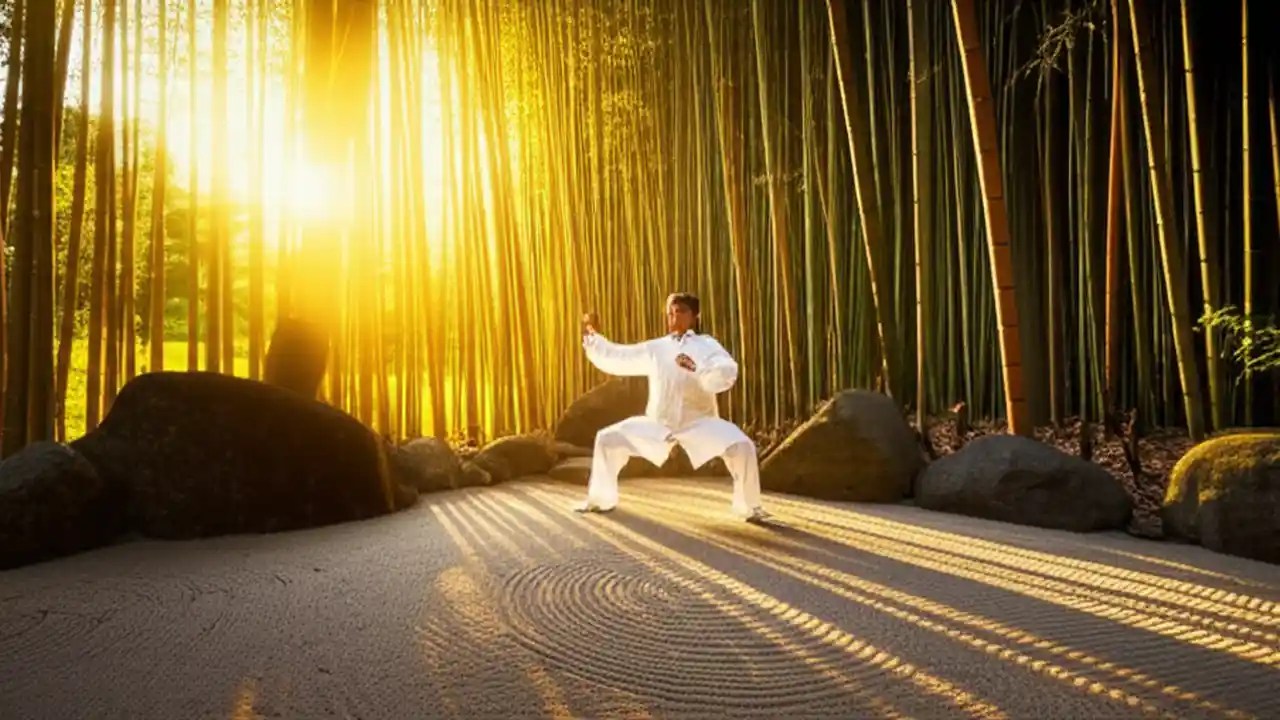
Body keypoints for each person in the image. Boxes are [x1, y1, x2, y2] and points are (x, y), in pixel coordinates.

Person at [574, 293, 771, 522]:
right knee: (608, 439)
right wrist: (593, 339)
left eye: (680, 312)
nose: (674, 317)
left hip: (699, 421)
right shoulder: (656, 348)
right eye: (670, 312)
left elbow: (725, 371)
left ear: (695, 316)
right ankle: (600, 499)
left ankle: (749, 507)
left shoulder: (706, 345)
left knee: (742, 446)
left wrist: (696, 368)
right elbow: (620, 356)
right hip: (659, 422)